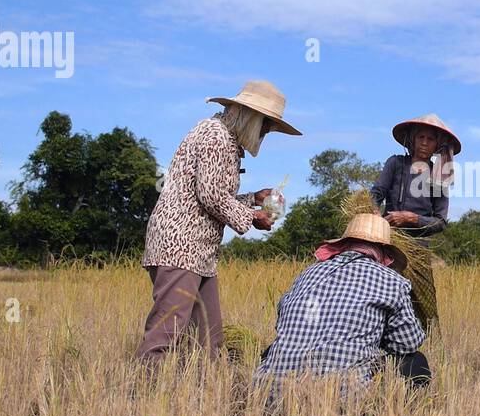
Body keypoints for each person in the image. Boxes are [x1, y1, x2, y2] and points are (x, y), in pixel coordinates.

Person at [136, 80, 301, 362]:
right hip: (181, 246)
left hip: (199, 253)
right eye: (265, 125)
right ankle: (145, 397)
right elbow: (211, 196)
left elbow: (214, 193)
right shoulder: (216, 136)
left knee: (208, 339)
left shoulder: (223, 137)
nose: (265, 133)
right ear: (251, 116)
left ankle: (201, 399)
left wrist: (253, 198)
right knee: (166, 334)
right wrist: (252, 217)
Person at [253, 213, 431, 394]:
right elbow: (408, 343)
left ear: (343, 244)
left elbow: (283, 321)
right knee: (415, 361)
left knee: (274, 350)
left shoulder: (309, 272)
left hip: (271, 394)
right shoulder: (393, 281)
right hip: (341, 397)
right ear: (385, 252)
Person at [370, 113, 462, 329]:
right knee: (382, 295)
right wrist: (375, 213)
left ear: (437, 146)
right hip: (388, 242)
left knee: (422, 302)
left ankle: (428, 344)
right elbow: (376, 193)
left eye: (430, 139)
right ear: (411, 139)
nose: (424, 143)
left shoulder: (439, 177)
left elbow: (440, 221)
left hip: (418, 248)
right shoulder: (395, 163)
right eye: (420, 137)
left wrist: (412, 218)